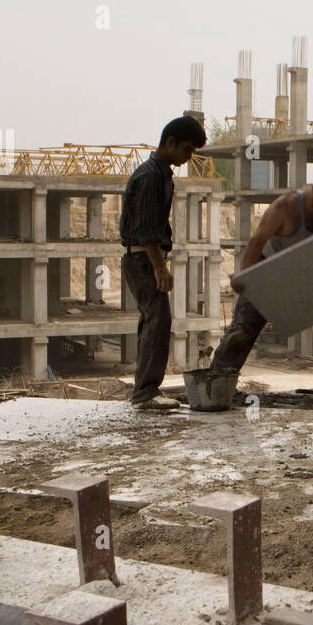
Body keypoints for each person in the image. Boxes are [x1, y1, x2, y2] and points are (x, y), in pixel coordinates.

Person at [210, 167, 313, 395]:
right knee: (241, 332)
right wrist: (246, 279)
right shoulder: (287, 206)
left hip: (309, 276)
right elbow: (256, 242)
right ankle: (215, 386)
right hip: (271, 273)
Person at [118, 116, 207, 410]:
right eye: (187, 149)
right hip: (143, 258)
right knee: (158, 318)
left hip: (145, 256)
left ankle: (145, 390)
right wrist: (159, 266)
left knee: (154, 319)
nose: (188, 157)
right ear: (171, 143)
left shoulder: (161, 174)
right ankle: (145, 393)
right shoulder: (151, 176)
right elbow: (145, 228)